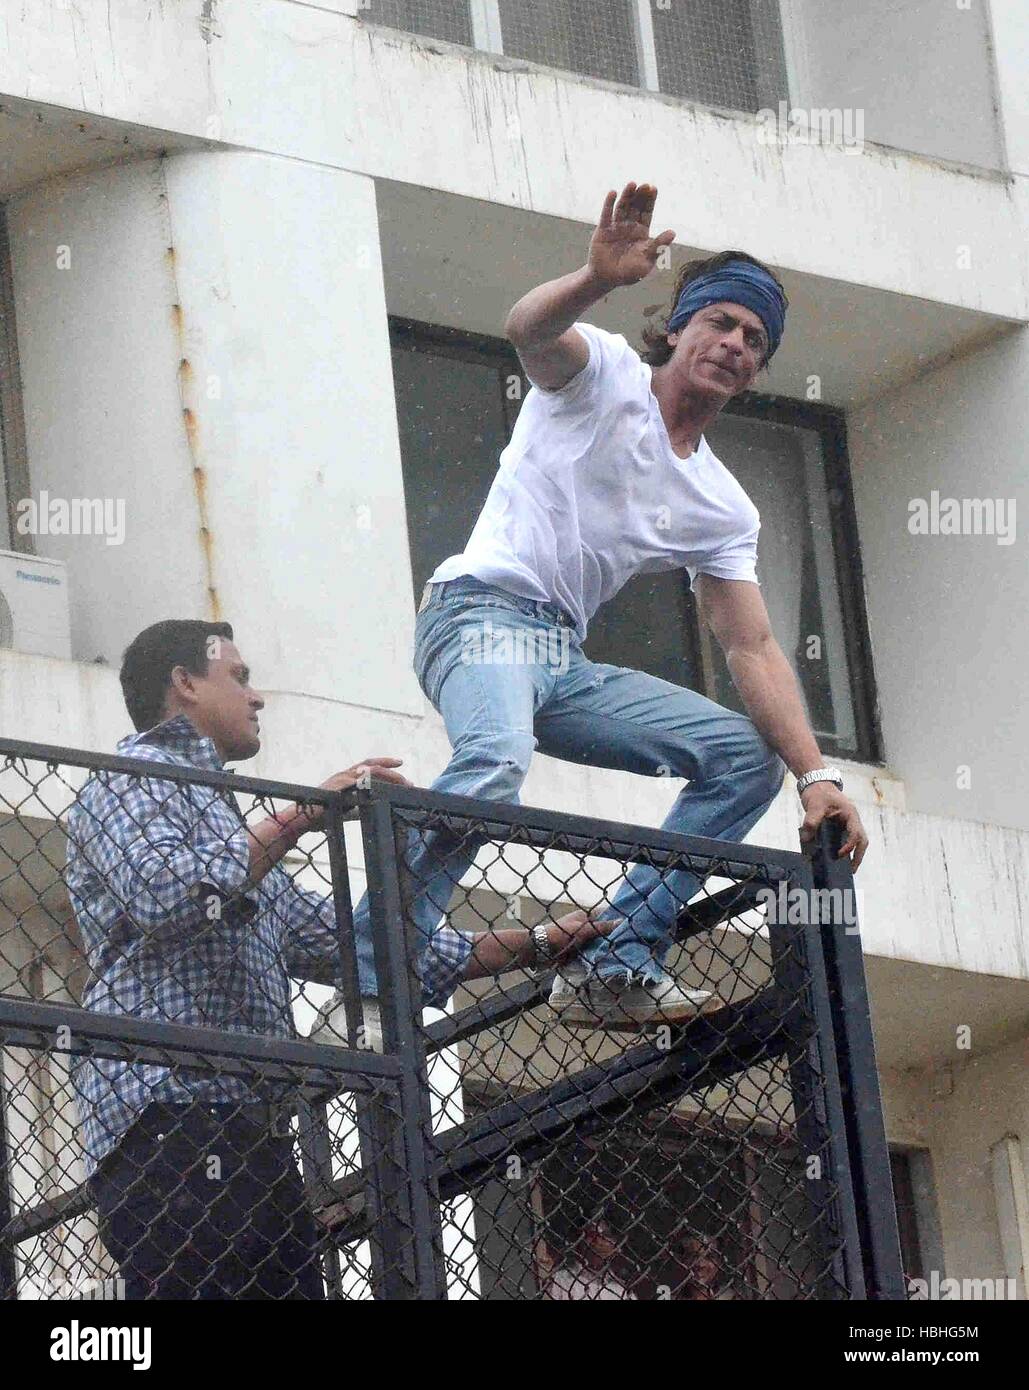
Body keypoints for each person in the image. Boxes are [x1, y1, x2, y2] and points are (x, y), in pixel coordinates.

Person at [333, 180, 868, 1030]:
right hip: (477, 615)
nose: (732, 343)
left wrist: (817, 778)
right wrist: (595, 278)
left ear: (760, 369)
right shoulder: (605, 375)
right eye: (719, 322)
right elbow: (528, 331)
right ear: (679, 327)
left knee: (742, 757)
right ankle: (369, 960)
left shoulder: (721, 504)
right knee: (497, 760)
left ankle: (613, 962)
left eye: (753, 338)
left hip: (562, 660)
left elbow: (752, 646)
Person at [68, 618, 609, 1299]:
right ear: (184, 684)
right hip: (170, 1119)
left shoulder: (224, 823)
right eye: (239, 678)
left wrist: (535, 943)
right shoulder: (130, 780)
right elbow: (168, 896)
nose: (257, 696)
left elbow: (356, 946)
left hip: (250, 1132)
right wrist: (302, 815)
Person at [537, 1219, 636, 1300]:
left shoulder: (622, 1291)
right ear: (580, 1240)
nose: (599, 1241)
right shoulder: (559, 1280)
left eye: (606, 1236)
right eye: (592, 1235)